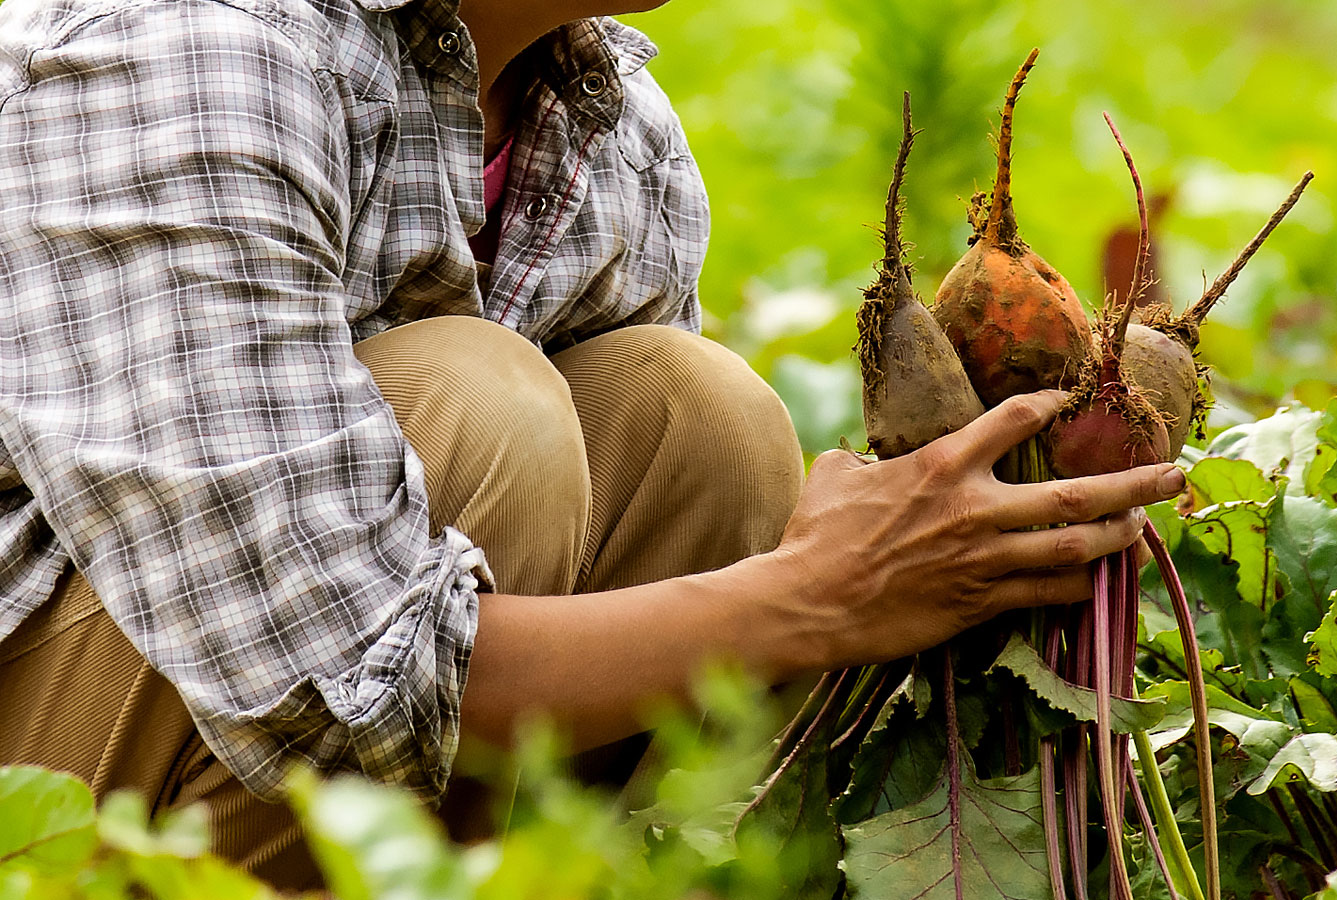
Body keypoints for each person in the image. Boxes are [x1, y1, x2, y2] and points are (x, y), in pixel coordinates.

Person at [0, 0, 1187, 889]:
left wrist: (939, 557)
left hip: (271, 720)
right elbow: (341, 679)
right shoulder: (194, 51)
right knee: (482, 405)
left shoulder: (608, 122)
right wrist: (827, 591)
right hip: (47, 800)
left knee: (698, 418)